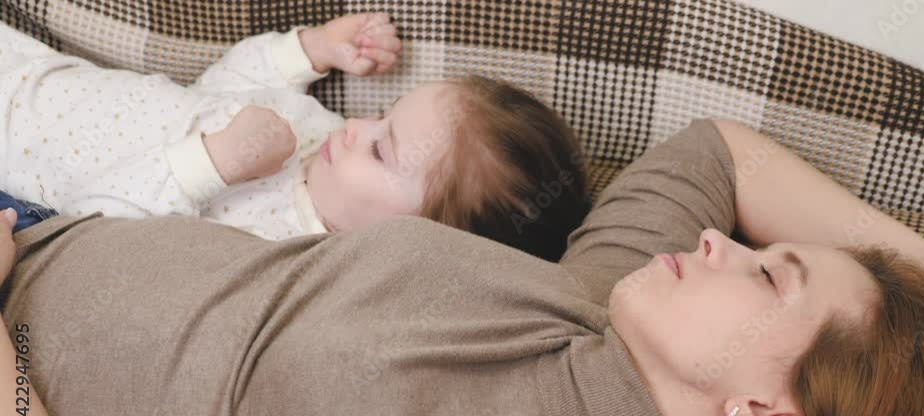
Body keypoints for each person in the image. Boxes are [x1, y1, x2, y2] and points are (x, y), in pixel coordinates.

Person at [0, 118, 924, 416]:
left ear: (768, 411)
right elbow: (717, 152)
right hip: (35, 227)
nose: (718, 243)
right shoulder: (600, 306)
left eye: (770, 273)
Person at [0, 15, 591, 260]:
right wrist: (309, 49)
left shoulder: (277, 254)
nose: (357, 128)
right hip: (43, 74)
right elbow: (221, 90)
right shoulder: (324, 139)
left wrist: (213, 165)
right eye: (382, 115)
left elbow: (99, 241)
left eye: (383, 149)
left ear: (411, 247)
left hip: (23, 174)